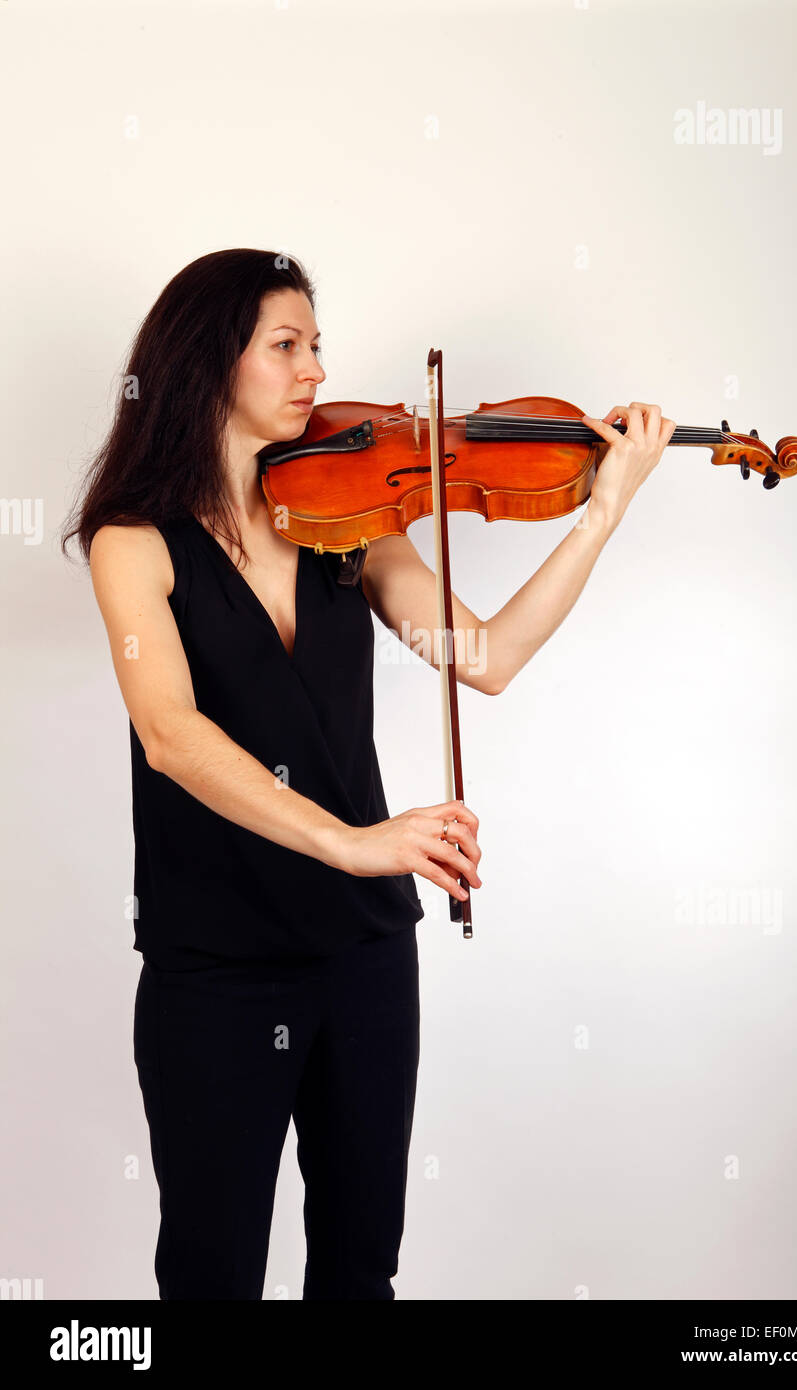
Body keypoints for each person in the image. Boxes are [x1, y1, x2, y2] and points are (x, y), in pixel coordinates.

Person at [62, 247, 674, 1300]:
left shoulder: (355, 517)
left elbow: (486, 659)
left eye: (316, 345)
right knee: (210, 1275)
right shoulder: (137, 542)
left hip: (364, 961)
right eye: (286, 345)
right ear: (213, 363)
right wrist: (357, 841)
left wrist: (601, 511)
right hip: (215, 968)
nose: (315, 370)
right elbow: (168, 731)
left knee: (358, 1273)